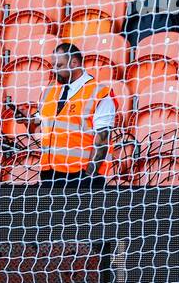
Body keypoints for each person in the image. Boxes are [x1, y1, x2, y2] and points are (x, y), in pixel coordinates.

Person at [10, 42, 117, 189]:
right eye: (53, 65)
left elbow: (102, 140)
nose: (54, 70)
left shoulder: (99, 93)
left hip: (81, 176)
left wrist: (89, 178)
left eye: (59, 66)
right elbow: (41, 130)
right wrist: (27, 120)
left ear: (74, 63)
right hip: (49, 173)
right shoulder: (49, 90)